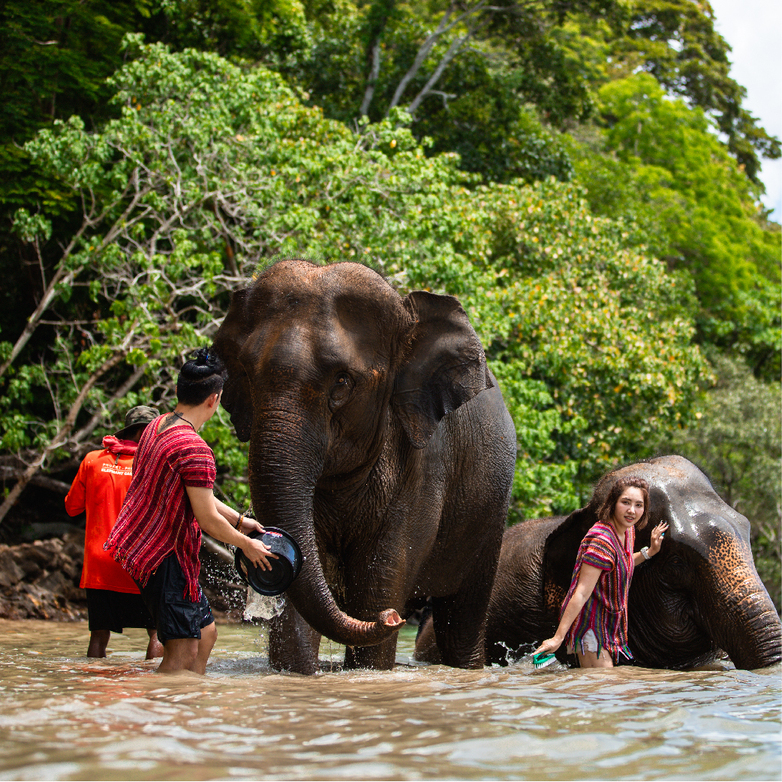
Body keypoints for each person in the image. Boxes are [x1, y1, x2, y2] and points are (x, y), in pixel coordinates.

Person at [104, 348, 277, 674]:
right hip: (163, 557)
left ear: (178, 392)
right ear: (215, 399)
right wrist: (247, 545)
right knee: (182, 652)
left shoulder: (156, 426)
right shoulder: (194, 449)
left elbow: (201, 498)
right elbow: (206, 518)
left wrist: (240, 520)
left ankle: (186, 712)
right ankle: (158, 713)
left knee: (206, 634)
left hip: (142, 548)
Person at [534, 476, 668, 668]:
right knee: (602, 689)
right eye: (626, 502)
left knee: (604, 691)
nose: (632, 511)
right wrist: (558, 638)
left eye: (639, 505)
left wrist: (650, 552)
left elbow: (622, 564)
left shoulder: (627, 532)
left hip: (608, 625)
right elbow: (581, 592)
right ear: (613, 503)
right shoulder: (602, 541)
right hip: (590, 627)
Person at [65, 405, 164, 659]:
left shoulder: (92, 460)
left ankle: (94, 690)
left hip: (99, 565)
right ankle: (155, 691)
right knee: (156, 632)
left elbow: (71, 508)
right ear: (149, 432)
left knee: (99, 634)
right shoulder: (153, 466)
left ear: (127, 431)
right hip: (137, 563)